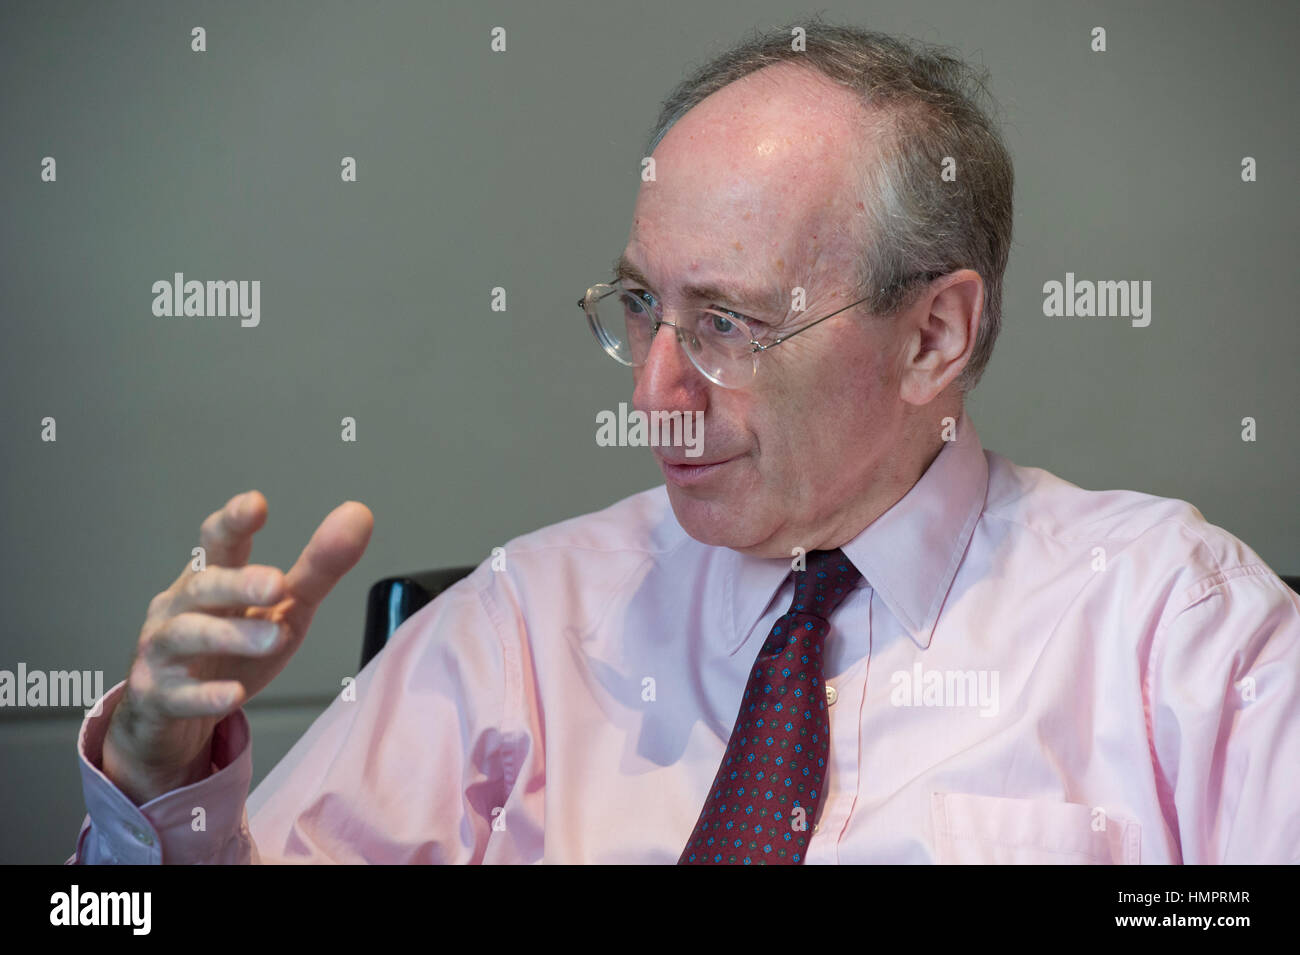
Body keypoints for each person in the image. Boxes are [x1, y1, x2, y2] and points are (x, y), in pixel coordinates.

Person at [69, 22, 1300, 865]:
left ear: (935, 335)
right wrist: (148, 780)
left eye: (728, 321)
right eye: (643, 306)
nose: (658, 386)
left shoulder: (1170, 631)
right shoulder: (522, 627)